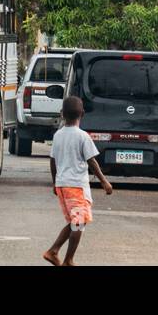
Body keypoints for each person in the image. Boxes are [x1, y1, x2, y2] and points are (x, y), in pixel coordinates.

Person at [43, 94, 112, 266]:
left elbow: (53, 162)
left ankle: (53, 252)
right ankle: (68, 259)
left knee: (74, 223)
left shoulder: (58, 135)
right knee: (79, 223)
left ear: (61, 114)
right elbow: (92, 161)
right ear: (82, 113)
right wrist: (104, 181)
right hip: (76, 187)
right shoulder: (82, 136)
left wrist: (54, 182)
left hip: (62, 186)